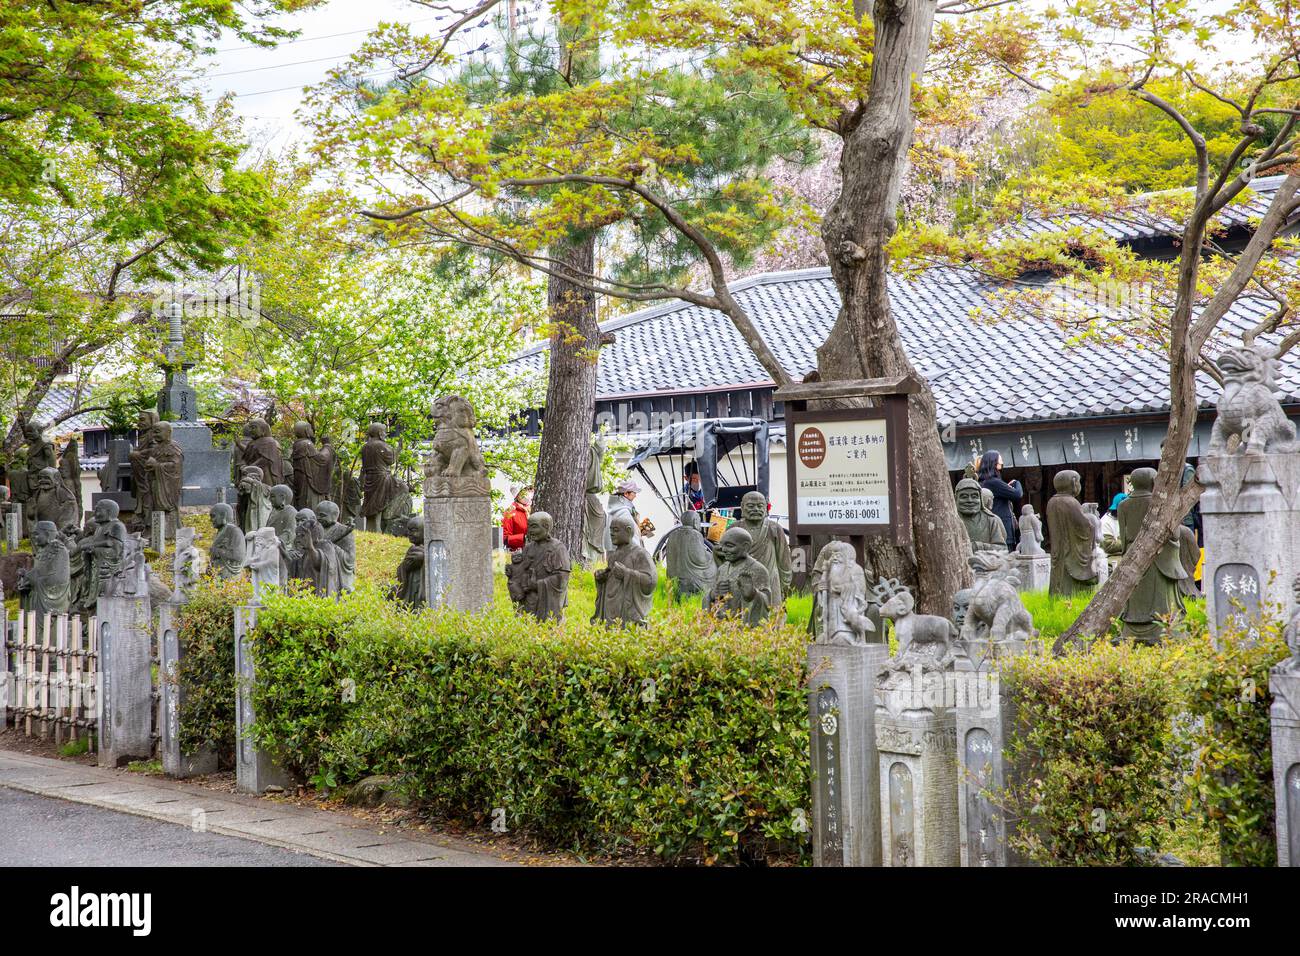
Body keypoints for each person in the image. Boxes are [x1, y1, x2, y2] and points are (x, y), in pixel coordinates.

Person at [977, 450, 1022, 552]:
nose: (1002, 462)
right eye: (999, 459)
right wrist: (1016, 483)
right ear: (993, 462)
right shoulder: (993, 482)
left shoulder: (985, 482)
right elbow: (1017, 494)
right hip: (1002, 529)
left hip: (994, 528)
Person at [605, 478, 648, 550]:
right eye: (634, 492)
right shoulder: (623, 513)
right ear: (626, 493)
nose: (635, 495)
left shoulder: (615, 509)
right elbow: (632, 539)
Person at [502, 486, 532, 551]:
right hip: (520, 554)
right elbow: (506, 539)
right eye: (523, 492)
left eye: (528, 490)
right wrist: (524, 538)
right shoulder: (509, 513)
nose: (527, 494)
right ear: (517, 496)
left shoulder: (533, 509)